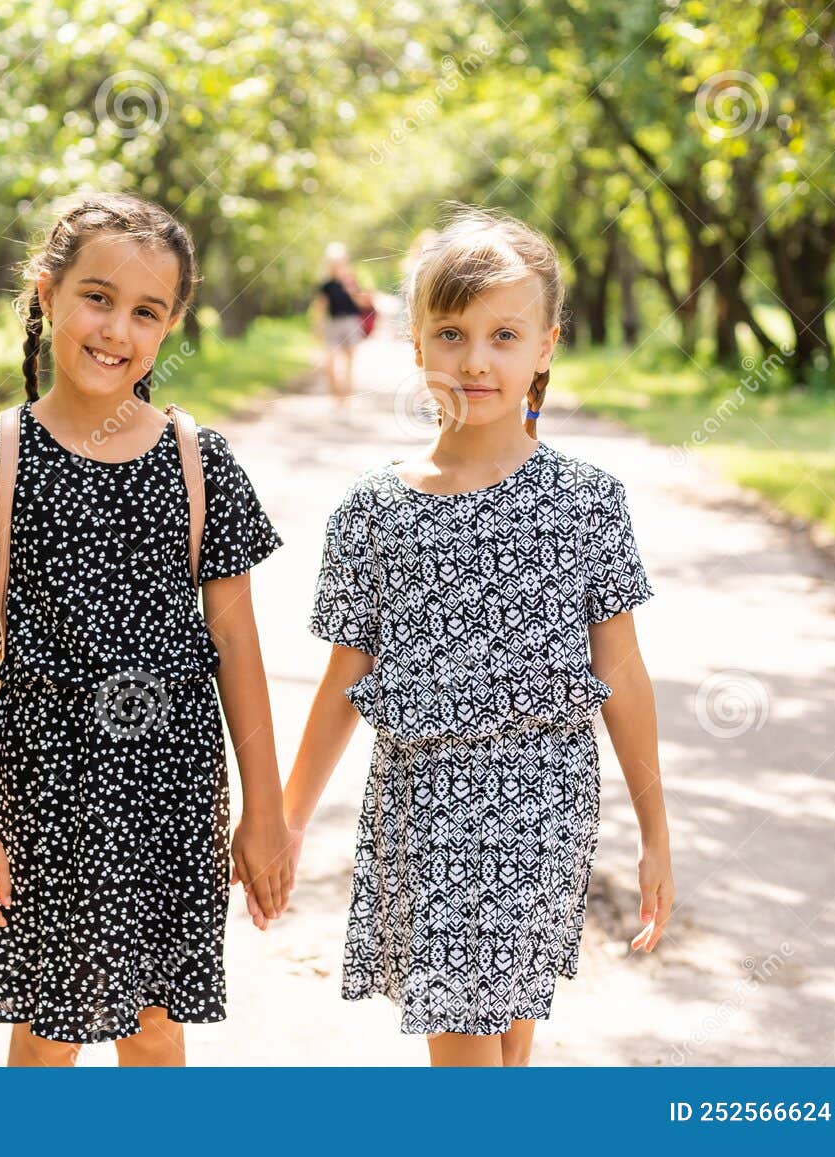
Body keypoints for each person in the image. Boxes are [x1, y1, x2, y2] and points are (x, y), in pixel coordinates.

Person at [0, 192, 293, 1067]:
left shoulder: (201, 462)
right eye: (97, 297)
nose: (116, 328)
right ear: (46, 294)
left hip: (174, 791)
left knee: (155, 1028)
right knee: (46, 1034)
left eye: (146, 311)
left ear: (170, 327)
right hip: (46, 791)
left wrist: (265, 811)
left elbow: (239, 652)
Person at [279, 205, 675, 1067]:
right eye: (452, 334)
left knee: (507, 1041)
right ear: (416, 346)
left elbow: (625, 675)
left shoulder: (587, 500)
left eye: (504, 334)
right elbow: (347, 676)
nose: (476, 360)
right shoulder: (375, 510)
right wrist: (287, 817)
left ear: (545, 346)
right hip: (426, 803)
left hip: (547, 803)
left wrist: (656, 832)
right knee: (467, 1052)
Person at [309, 241, 374, 405]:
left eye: (341, 261)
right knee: (329, 364)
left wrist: (351, 289)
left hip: (351, 323)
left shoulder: (352, 280)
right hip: (333, 324)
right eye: (336, 262)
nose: (339, 265)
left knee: (348, 365)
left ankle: (346, 400)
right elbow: (320, 307)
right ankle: (336, 397)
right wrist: (317, 327)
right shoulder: (326, 284)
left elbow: (364, 303)